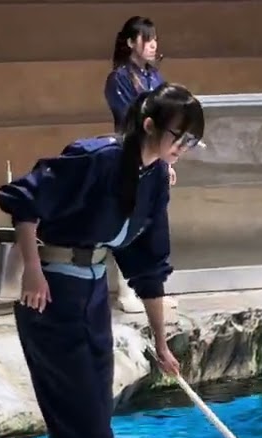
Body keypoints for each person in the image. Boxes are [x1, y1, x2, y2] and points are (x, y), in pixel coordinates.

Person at [0, 83, 204, 438]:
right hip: (50, 294)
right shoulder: (95, 159)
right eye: (179, 136)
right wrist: (32, 269)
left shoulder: (154, 181)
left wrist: (161, 340)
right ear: (151, 125)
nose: (182, 149)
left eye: (191, 142)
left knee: (96, 411)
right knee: (78, 412)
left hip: (90, 295)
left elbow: (149, 264)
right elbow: (25, 199)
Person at [104, 16, 182, 314]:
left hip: (157, 159)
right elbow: (132, 121)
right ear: (130, 43)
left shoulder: (155, 78)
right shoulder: (119, 79)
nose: (153, 44)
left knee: (156, 223)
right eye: (147, 39)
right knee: (130, 220)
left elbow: (168, 120)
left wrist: (168, 157)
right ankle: (128, 290)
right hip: (131, 158)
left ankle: (154, 289)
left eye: (155, 39)